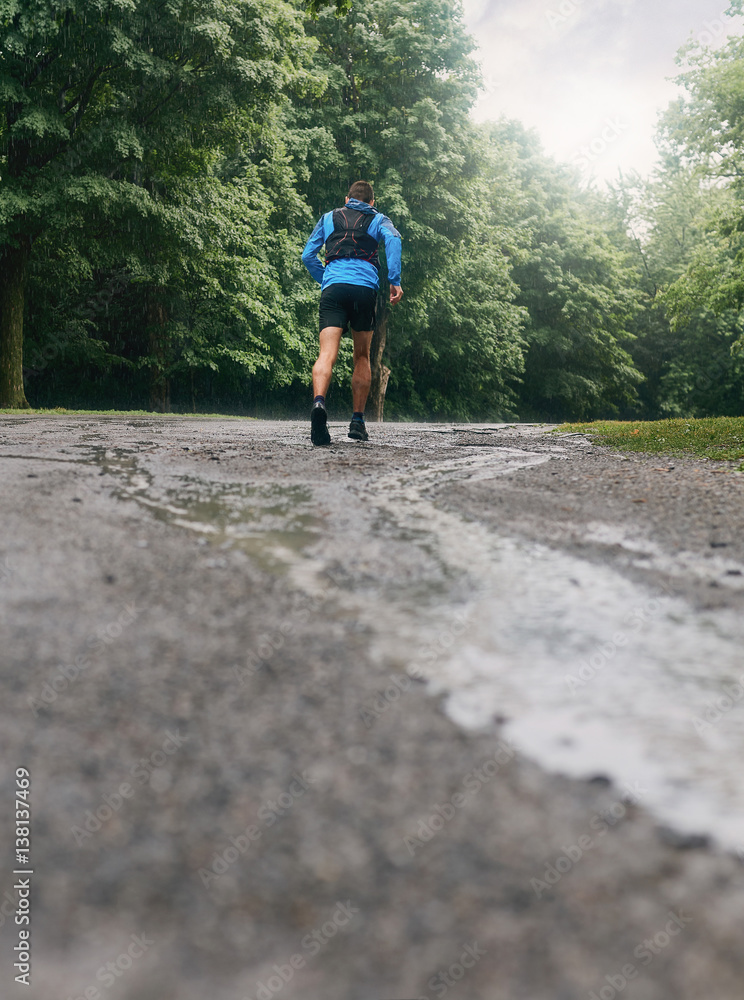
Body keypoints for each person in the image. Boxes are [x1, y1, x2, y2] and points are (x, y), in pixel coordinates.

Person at [301, 180, 403, 446]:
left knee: (326, 353)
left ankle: (319, 404)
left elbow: (307, 255)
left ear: (347, 200)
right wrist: (394, 280)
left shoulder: (328, 218)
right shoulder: (378, 218)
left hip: (333, 289)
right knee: (361, 355)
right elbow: (393, 238)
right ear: (371, 202)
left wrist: (326, 279)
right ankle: (357, 421)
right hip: (364, 291)